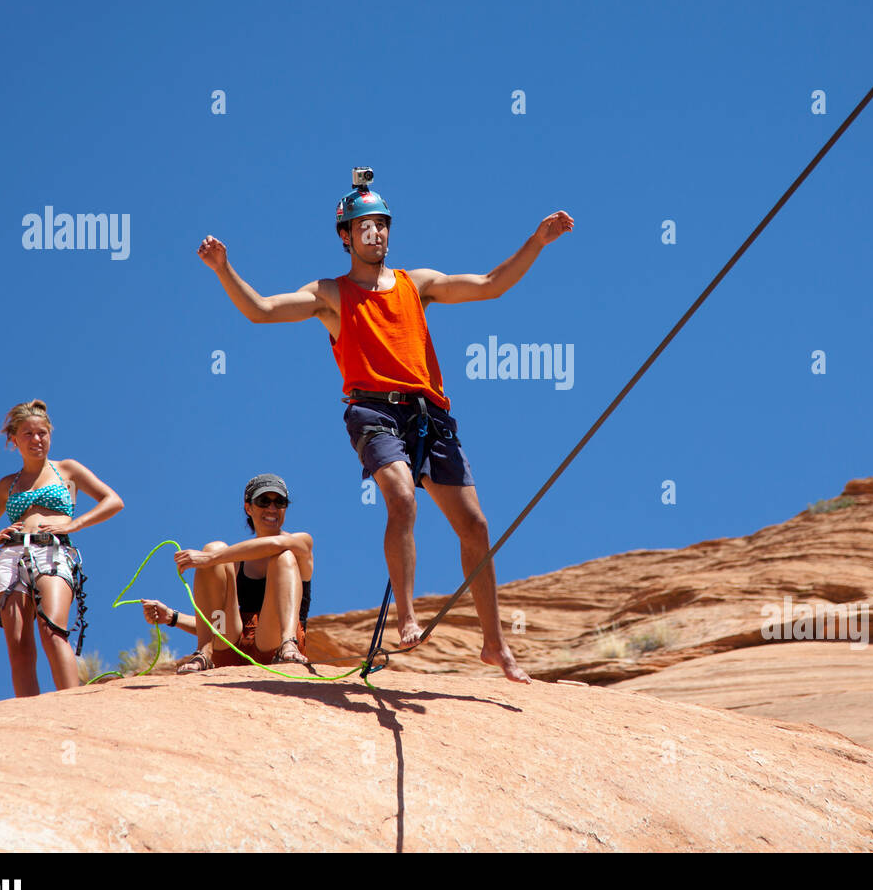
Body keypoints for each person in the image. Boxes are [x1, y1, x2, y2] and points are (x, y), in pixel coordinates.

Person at [197, 174, 573, 684]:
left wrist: (537, 242)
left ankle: (494, 645)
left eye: (381, 225)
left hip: (430, 415)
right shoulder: (331, 294)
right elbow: (261, 311)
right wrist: (224, 269)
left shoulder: (416, 284)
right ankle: (407, 615)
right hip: (373, 411)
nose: (375, 234)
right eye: (364, 226)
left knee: (477, 527)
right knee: (402, 498)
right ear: (345, 237)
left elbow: (490, 285)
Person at [0, 399, 124, 697]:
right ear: (14, 440)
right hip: (12, 555)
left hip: (52, 551)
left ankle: (72, 706)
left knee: (52, 630)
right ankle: (31, 717)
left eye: (42, 433)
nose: (37, 439)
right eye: (28, 434)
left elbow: (113, 501)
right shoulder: (7, 485)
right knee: (18, 645)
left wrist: (74, 525)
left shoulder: (67, 470)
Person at [164, 474, 312, 673]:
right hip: (233, 645)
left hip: (274, 643)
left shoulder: (301, 542)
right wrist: (173, 617)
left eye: (280, 502)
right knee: (213, 547)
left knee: (283, 556)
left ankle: (288, 644)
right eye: (263, 501)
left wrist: (211, 558)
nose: (272, 508)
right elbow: (216, 619)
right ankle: (204, 653)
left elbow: (276, 544)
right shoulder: (234, 560)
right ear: (248, 508)